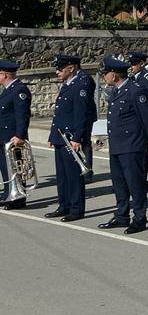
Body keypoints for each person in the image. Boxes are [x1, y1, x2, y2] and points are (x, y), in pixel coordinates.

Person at [98, 56, 148, 234]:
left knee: (135, 183)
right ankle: (122, 215)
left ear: (114, 75)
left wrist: (143, 143)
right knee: (119, 183)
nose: (104, 77)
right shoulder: (115, 91)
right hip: (117, 145)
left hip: (132, 145)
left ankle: (139, 217)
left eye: (105, 74)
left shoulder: (135, 91)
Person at [47, 54, 95, 221]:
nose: (57, 72)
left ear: (71, 68)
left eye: (60, 68)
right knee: (62, 176)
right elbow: (59, 113)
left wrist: (77, 137)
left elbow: (81, 114)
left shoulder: (80, 84)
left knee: (73, 175)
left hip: (71, 137)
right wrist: (52, 135)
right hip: (60, 135)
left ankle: (76, 209)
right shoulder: (67, 84)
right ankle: (64, 205)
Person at [0, 59, 32, 210]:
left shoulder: (19, 90)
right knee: (6, 169)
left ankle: (18, 198)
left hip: (13, 137)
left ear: (4, 75)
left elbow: (22, 115)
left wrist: (20, 135)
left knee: (16, 169)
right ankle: (9, 194)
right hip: (3, 136)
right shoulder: (8, 90)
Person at [127, 52, 148, 129]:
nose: (131, 67)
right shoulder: (132, 78)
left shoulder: (147, 77)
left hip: (144, 116)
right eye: (130, 64)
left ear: (141, 64)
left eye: (134, 64)